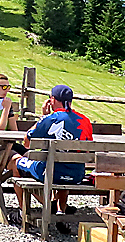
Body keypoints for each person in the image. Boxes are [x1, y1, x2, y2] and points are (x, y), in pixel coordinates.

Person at [6, 84, 93, 229]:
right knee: (66, 163)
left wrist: (43, 117)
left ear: (52, 100)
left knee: (16, 162)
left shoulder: (51, 119)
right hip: (76, 175)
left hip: (49, 173)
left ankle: (24, 213)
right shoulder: (85, 121)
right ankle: (61, 212)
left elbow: (27, 142)